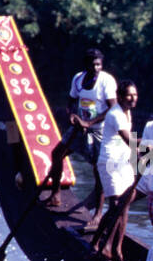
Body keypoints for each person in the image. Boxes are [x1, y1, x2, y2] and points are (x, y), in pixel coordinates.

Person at [44, 48, 118, 212]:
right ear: (86, 65)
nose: (96, 68)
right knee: (57, 154)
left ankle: (98, 213)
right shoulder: (78, 78)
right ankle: (55, 195)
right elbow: (71, 101)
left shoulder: (107, 81)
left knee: (99, 169)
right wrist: (71, 115)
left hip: (100, 130)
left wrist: (90, 123)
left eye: (99, 65)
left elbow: (113, 109)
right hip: (79, 127)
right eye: (93, 65)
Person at [90, 80, 140, 261]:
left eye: (135, 95)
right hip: (109, 163)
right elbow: (129, 140)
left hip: (123, 163)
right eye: (129, 95)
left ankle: (117, 247)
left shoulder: (127, 112)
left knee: (125, 203)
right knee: (116, 205)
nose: (133, 98)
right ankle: (98, 243)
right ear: (119, 96)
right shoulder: (116, 114)